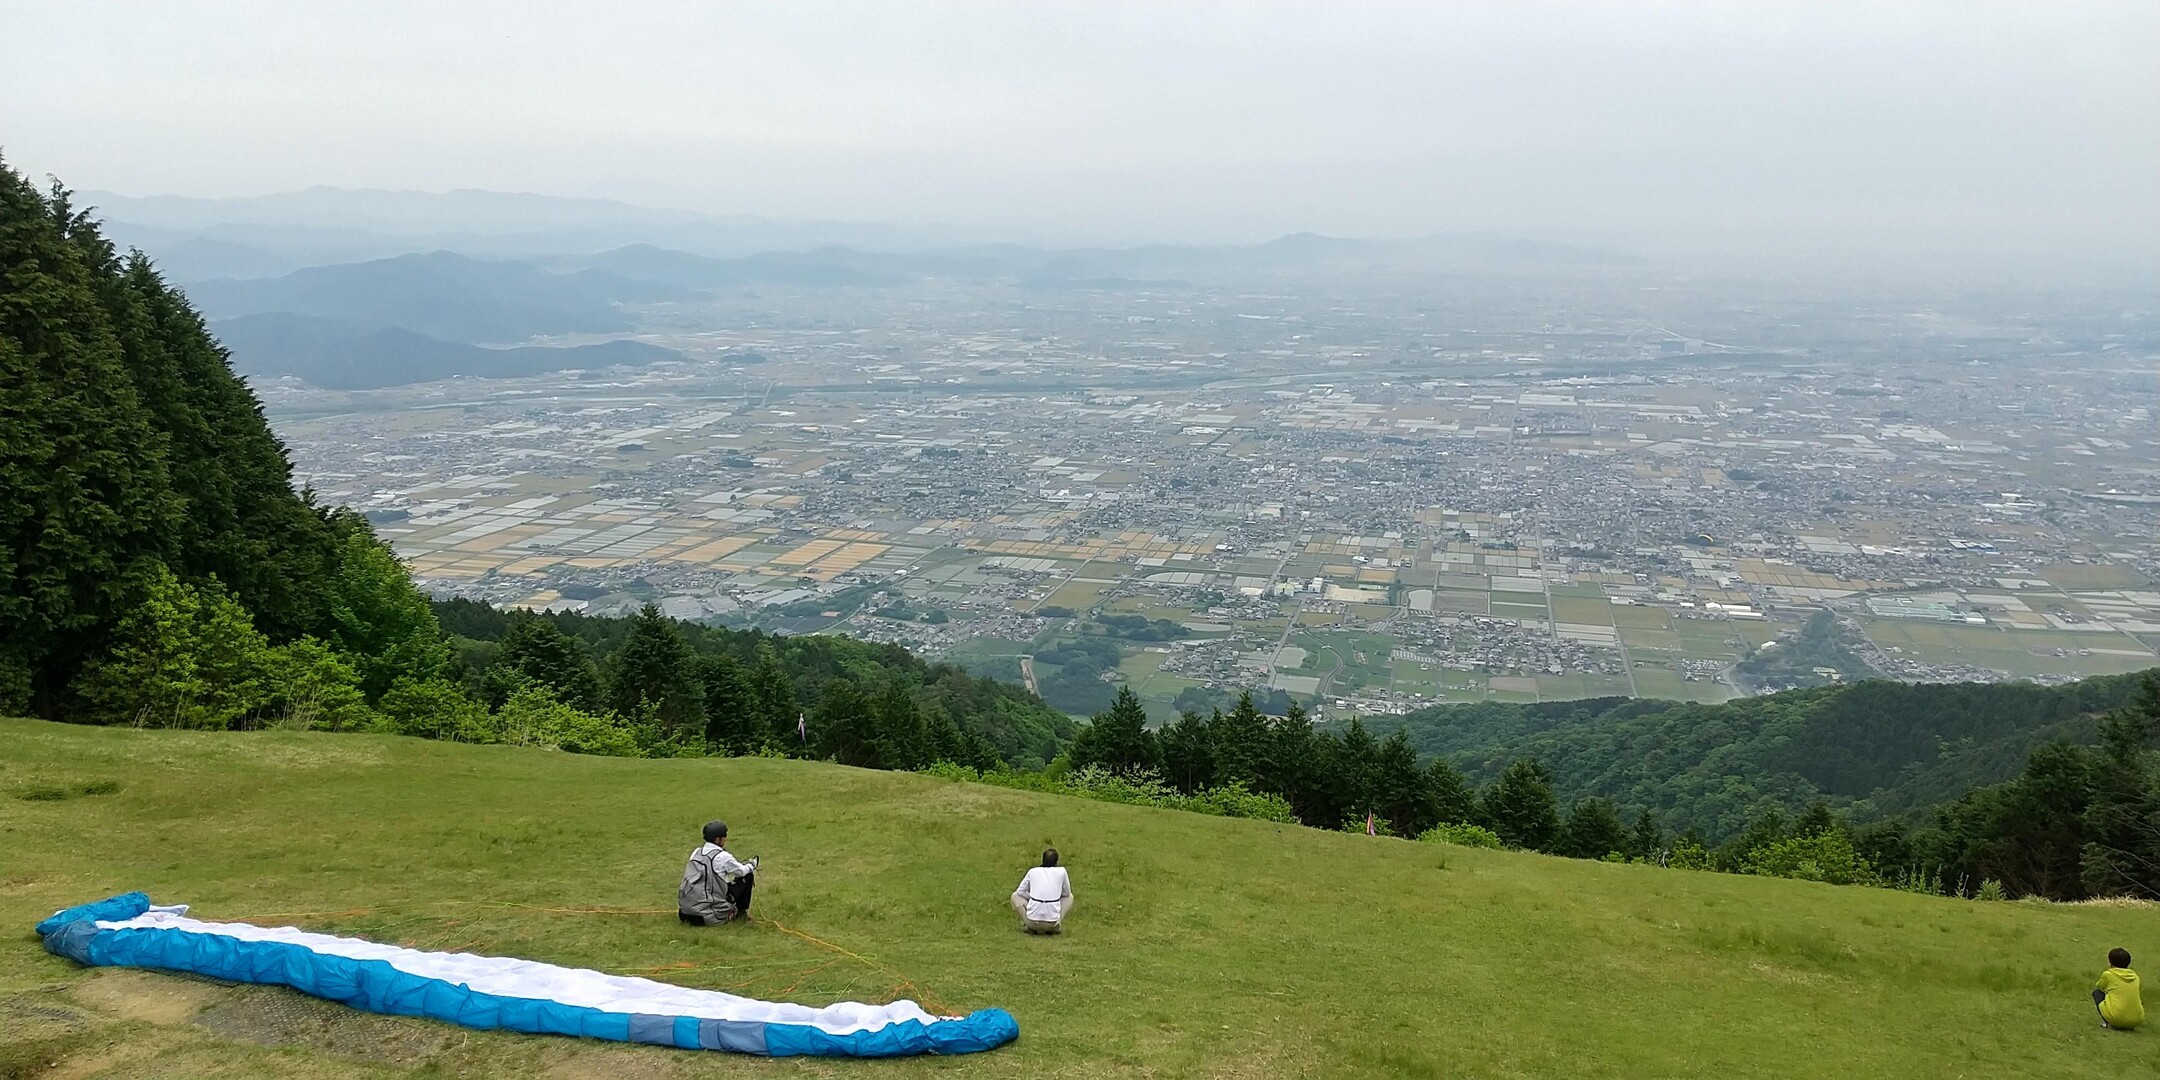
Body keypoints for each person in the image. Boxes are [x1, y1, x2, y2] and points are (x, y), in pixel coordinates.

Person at [679, 820, 756, 926]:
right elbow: (742, 872)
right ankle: (740, 913)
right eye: (724, 836)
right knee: (748, 875)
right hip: (709, 916)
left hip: (684, 913)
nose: (725, 839)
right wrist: (752, 865)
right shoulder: (723, 856)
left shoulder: (696, 852)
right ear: (717, 839)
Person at [1010, 848, 1072, 934]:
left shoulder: (1033, 871)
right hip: (1052, 922)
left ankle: (1030, 926)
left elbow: (1020, 892)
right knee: (1070, 897)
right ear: (1056, 862)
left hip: (1032, 922)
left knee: (1015, 896)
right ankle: (1056, 924)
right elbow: (1067, 893)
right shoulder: (1061, 872)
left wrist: (1031, 898)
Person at [2093, 947, 2143, 1030]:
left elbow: (2100, 987)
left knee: (2097, 993)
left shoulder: (2108, 974)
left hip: (2116, 1017)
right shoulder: (2135, 977)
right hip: (2137, 1019)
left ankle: (2109, 1023)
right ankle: (2128, 1023)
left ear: (2110, 962)